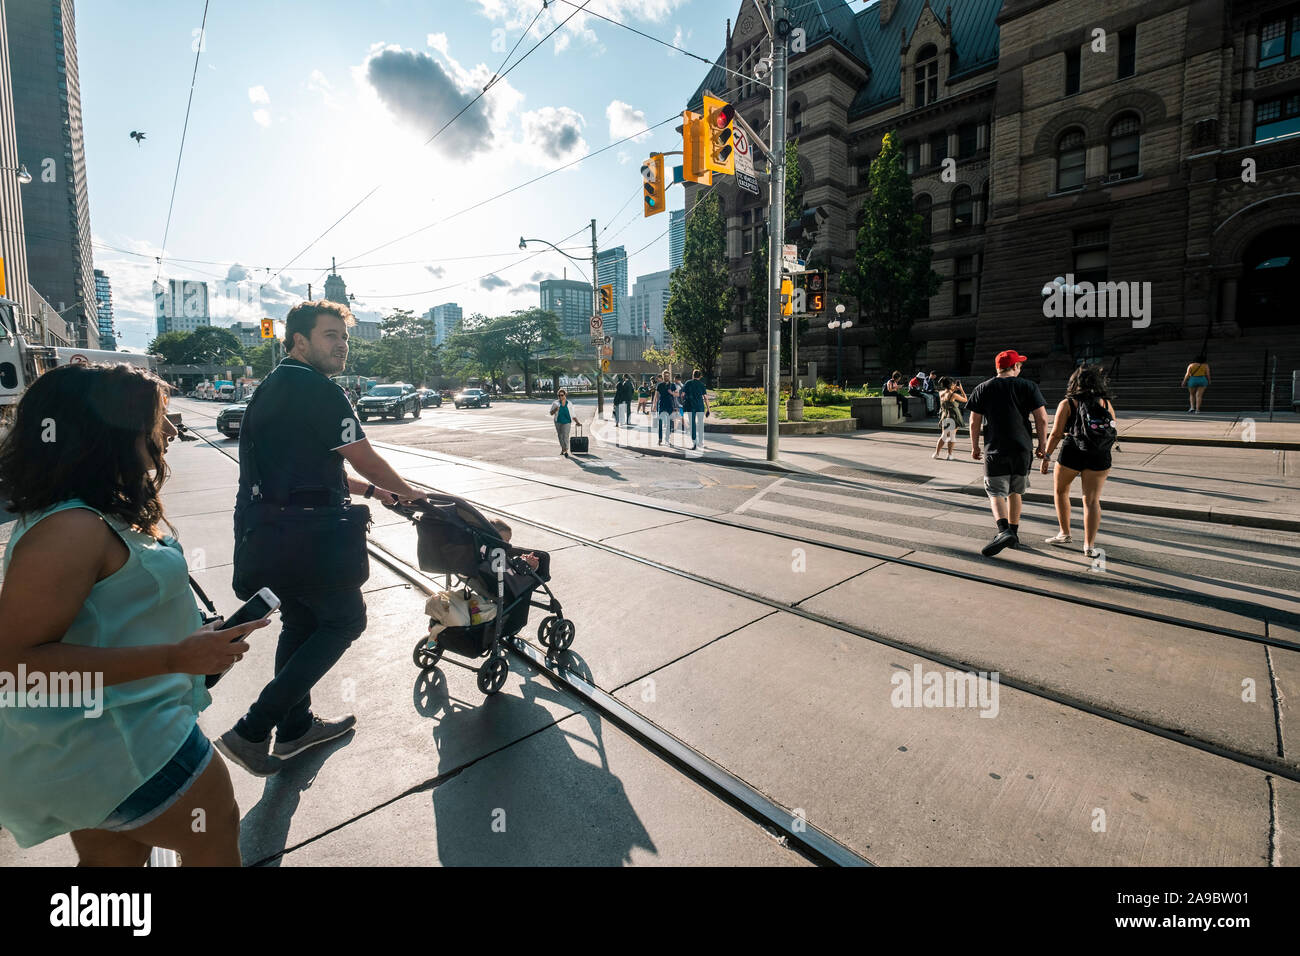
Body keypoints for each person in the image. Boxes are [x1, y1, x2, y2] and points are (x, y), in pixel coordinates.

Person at [0, 364, 270, 864]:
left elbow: (111, 612)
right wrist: (175, 656)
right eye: (155, 418)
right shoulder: (72, 529)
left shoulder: (85, 511)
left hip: (93, 752)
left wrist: (194, 638)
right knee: (214, 839)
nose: (167, 431)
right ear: (107, 430)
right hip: (131, 744)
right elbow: (15, 664)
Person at [219, 301, 429, 777]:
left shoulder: (272, 389)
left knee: (300, 623)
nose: (342, 345)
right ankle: (254, 729)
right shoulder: (320, 390)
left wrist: (376, 493)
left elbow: (318, 469)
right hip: (309, 539)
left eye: (345, 337)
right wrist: (413, 496)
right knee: (344, 621)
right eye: (330, 335)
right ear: (298, 340)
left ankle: (294, 731)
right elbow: (364, 458)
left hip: (269, 533)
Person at [966, 350, 1049, 557]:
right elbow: (1042, 419)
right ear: (1014, 367)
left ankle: (1003, 531)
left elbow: (974, 421)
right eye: (1019, 364)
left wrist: (974, 446)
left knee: (995, 493)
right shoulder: (1029, 386)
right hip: (1022, 450)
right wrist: (1043, 445)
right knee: (1015, 491)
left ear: (997, 368)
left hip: (995, 449)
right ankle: (1013, 534)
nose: (1020, 367)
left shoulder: (983, 388)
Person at [1042, 366, 1117, 558]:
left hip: (1072, 452)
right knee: (1091, 501)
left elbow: (1057, 433)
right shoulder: (1106, 404)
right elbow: (1113, 431)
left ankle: (1064, 533)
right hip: (1099, 455)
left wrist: (1047, 456)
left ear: (1074, 382)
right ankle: (1089, 545)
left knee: (1061, 491)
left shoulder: (1068, 403)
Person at [932, 377, 967, 459]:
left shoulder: (941, 393)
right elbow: (965, 399)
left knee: (943, 435)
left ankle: (936, 453)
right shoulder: (953, 395)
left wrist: (953, 389)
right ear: (951, 385)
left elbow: (948, 396)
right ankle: (949, 455)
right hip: (953, 417)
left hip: (944, 416)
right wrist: (961, 389)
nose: (955, 385)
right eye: (953, 384)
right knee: (952, 436)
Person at [680, 368, 711, 450]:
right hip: (700, 406)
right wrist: (708, 409)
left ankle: (694, 443)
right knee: (700, 424)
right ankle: (701, 443)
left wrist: (684, 401)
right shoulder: (701, 385)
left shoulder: (688, 383)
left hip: (690, 406)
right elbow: (705, 398)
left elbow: (682, 394)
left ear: (693, 375)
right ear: (700, 376)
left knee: (692, 425)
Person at [653, 371, 676, 445]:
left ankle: (667, 439)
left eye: (668, 376)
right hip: (662, 405)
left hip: (670, 406)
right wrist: (654, 405)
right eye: (665, 376)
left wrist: (672, 393)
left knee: (669, 423)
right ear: (663, 377)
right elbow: (656, 396)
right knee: (660, 422)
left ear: (669, 376)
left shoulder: (672, 385)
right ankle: (660, 439)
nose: (667, 377)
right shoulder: (659, 385)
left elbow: (676, 394)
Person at [549, 388, 573, 456]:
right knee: (560, 435)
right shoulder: (555, 403)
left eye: (562, 395)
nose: (560, 397)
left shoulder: (569, 403)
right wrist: (556, 409)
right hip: (558, 421)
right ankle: (563, 448)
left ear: (565, 395)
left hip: (567, 421)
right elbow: (551, 413)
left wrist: (577, 421)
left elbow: (573, 413)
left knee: (565, 435)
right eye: (559, 395)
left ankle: (566, 449)